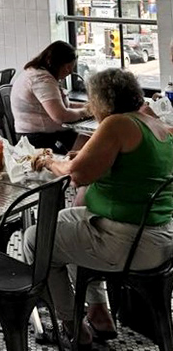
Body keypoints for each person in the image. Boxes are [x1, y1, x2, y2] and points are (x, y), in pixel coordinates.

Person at [24, 68, 173, 347]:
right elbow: (132, 166)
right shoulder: (158, 126)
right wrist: (85, 155)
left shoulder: (117, 124)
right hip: (159, 236)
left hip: (128, 243)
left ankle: (72, 326)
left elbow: (76, 175)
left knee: (37, 238)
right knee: (66, 220)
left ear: (101, 101)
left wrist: (48, 161)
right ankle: (98, 311)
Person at [11, 41, 90, 152]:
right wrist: (86, 112)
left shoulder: (39, 73)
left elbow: (62, 104)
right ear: (56, 63)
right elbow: (60, 116)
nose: (70, 72)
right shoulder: (42, 79)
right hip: (39, 139)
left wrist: (88, 106)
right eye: (68, 67)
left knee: (90, 140)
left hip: (46, 135)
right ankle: (73, 167)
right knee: (93, 145)